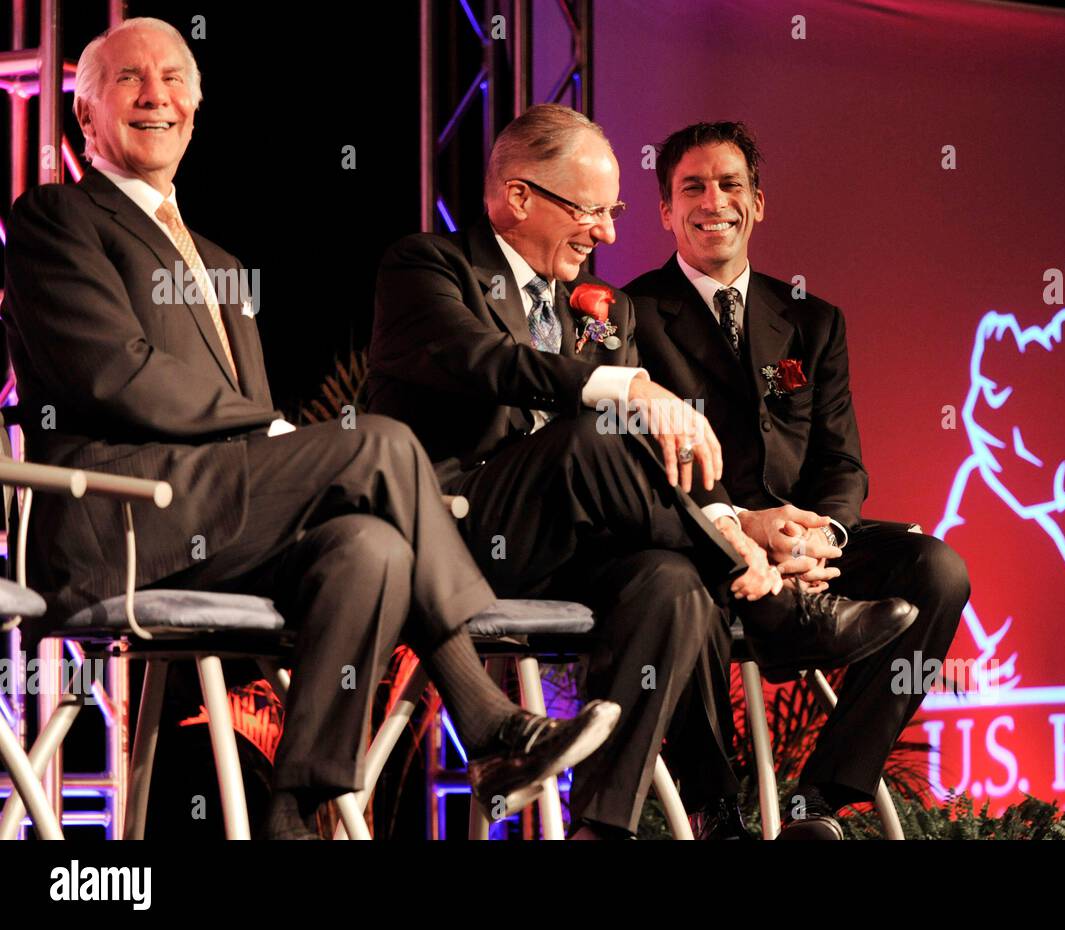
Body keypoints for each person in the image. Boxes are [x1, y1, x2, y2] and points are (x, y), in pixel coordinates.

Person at [0, 18, 616, 840]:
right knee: (383, 444)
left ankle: (295, 807)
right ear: (85, 116)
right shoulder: (53, 218)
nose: (157, 96)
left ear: (197, 105)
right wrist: (277, 427)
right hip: (121, 516)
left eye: (175, 79)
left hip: (221, 518)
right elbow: (115, 375)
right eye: (128, 80)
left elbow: (247, 427)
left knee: (373, 546)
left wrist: (277, 439)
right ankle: (490, 720)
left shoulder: (220, 263)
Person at [366, 104, 916, 839]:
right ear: (520, 197)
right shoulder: (428, 266)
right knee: (603, 430)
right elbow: (486, 361)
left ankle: (605, 823)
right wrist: (624, 389)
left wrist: (735, 520)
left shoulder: (602, 309)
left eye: (614, 210)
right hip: (457, 538)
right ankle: (776, 609)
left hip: (566, 551)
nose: (609, 233)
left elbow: (657, 457)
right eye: (591, 210)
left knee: (672, 583)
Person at [625, 121, 971, 840]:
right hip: (699, 534)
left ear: (758, 203)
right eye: (692, 186)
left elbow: (842, 462)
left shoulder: (814, 320)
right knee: (676, 574)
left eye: (730, 184)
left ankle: (819, 802)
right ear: (665, 210)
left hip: (804, 539)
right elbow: (635, 464)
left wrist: (822, 538)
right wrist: (741, 525)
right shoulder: (628, 316)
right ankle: (719, 815)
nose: (712, 200)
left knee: (936, 569)